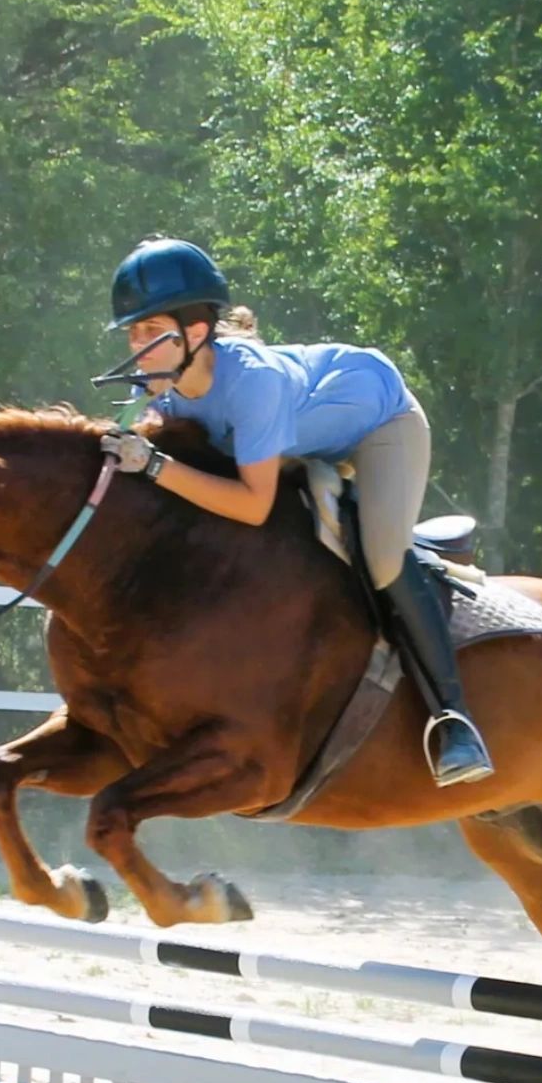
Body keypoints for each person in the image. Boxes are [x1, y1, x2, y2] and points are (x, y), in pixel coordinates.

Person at [96, 236, 494, 789]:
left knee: (381, 558)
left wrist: (156, 466)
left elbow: (252, 505)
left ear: (195, 332)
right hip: (302, 438)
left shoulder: (251, 383)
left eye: (150, 332)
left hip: (379, 424)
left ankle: (455, 720)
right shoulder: (163, 390)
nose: (137, 349)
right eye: (132, 333)